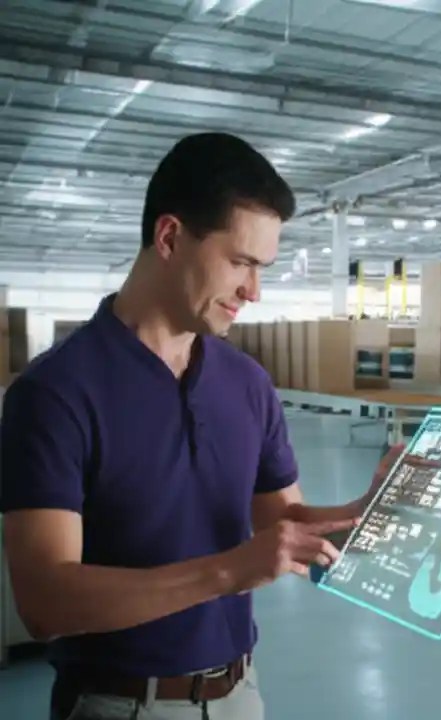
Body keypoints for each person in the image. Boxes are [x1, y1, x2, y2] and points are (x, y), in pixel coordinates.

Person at [0, 132, 397, 719]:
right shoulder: (55, 393)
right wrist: (229, 571)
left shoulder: (247, 383)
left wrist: (371, 508)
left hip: (241, 693)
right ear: (169, 237)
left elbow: (283, 525)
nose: (254, 292)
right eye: (240, 262)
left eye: (262, 268)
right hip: (121, 705)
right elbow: (46, 602)